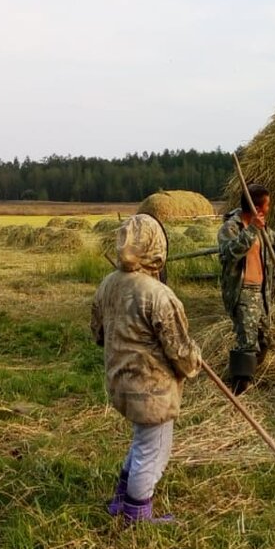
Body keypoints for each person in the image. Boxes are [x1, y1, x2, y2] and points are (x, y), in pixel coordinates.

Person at [91, 213, 202, 523]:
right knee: (153, 452)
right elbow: (179, 350)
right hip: (152, 389)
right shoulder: (158, 295)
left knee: (141, 443)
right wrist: (194, 361)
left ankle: (120, 500)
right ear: (156, 246)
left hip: (120, 380)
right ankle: (137, 515)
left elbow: (98, 332)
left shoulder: (109, 284)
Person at [216, 183, 275, 395]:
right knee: (247, 343)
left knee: (264, 340)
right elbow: (229, 253)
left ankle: (244, 372)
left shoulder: (264, 230)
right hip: (242, 292)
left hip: (262, 294)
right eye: (267, 204)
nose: (269, 208)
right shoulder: (231, 228)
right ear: (257, 207)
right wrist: (251, 229)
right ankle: (240, 389)